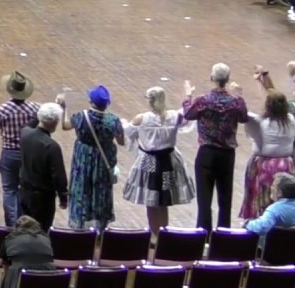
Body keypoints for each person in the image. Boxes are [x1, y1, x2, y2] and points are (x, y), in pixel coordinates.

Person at [183, 63, 249, 230]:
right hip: (227, 154)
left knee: (204, 200)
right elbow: (244, 117)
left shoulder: (203, 100)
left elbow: (188, 114)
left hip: (207, 152)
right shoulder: (234, 101)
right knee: (225, 198)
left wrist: (188, 96)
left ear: (212, 78)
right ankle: (223, 235)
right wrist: (239, 96)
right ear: (228, 79)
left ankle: (203, 234)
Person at [123, 86, 195, 236]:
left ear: (150, 100)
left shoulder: (142, 118)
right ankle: (163, 233)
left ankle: (154, 234)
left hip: (149, 162)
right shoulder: (174, 116)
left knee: (151, 200)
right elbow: (187, 114)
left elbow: (128, 133)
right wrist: (188, 96)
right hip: (169, 162)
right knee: (164, 199)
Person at [58, 86, 125, 230]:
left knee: (81, 188)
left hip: (83, 160)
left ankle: (80, 223)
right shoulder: (113, 120)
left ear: (91, 101)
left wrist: (64, 108)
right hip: (103, 162)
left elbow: (65, 126)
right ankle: (100, 225)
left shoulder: (81, 116)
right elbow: (121, 141)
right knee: (101, 190)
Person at [0, 71, 41, 226]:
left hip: (9, 153)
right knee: (23, 189)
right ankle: (22, 222)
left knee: (9, 190)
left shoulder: (3, 109)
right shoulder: (35, 108)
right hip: (28, 154)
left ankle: (11, 225)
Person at [241, 90, 295, 221]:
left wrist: (239, 94)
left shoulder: (260, 121)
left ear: (267, 105)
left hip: (264, 165)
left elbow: (243, 113)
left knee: (261, 197)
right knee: (285, 196)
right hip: (286, 165)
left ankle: (261, 222)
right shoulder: (291, 120)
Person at [19, 102, 68, 229]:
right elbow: (59, 176)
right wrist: (63, 197)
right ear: (55, 122)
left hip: (24, 192)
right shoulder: (51, 146)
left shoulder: (25, 133)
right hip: (43, 198)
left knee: (23, 228)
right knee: (41, 230)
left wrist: (42, 114)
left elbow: (30, 123)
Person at [0, 216, 56, 288]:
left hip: (19, 277)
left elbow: (5, 264)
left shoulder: (9, 239)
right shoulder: (46, 238)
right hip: (47, 276)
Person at [245, 172, 295, 239]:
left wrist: (247, 223)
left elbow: (261, 227)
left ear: (279, 193)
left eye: (273, 186)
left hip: (276, 244)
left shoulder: (275, 210)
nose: (270, 187)